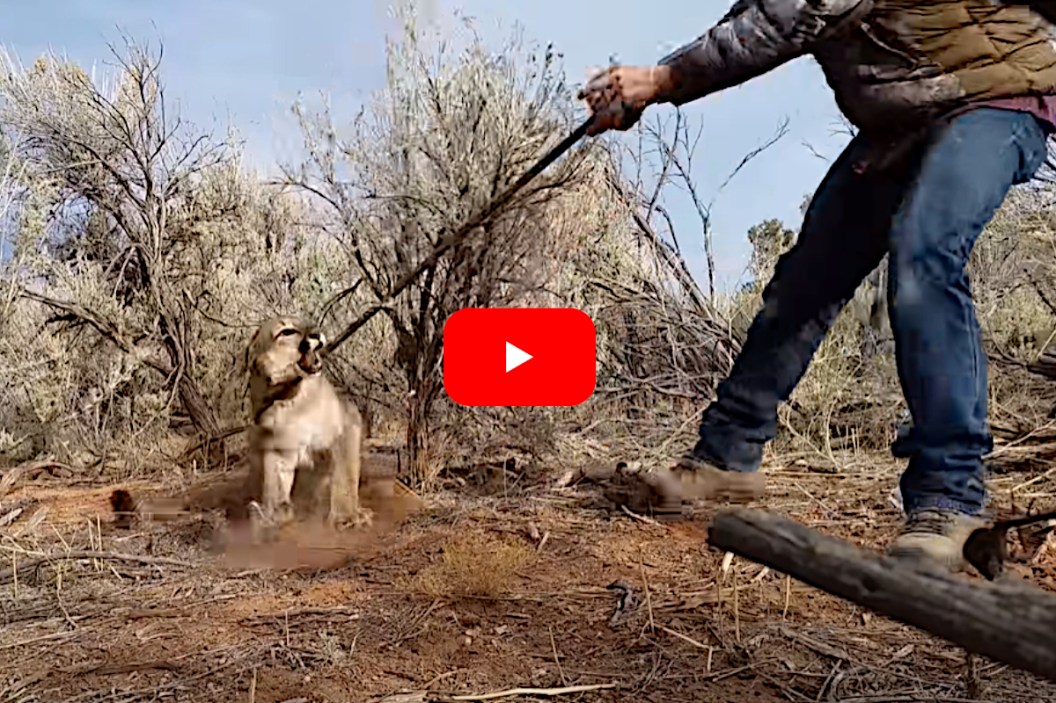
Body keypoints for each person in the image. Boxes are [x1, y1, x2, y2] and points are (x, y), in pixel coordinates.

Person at [578, 0, 1056, 573]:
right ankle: (726, 457)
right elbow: (751, 19)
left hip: (993, 97)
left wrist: (660, 80)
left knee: (923, 255)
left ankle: (951, 497)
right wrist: (643, 91)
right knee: (808, 278)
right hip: (904, 116)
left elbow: (785, 18)